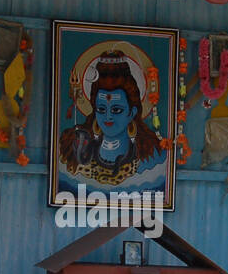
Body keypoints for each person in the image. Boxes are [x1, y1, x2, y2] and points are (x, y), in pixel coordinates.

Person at [59, 51, 166, 186]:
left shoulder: (151, 155)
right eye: (102, 109)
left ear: (132, 112)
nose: (108, 116)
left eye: (116, 110)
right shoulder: (76, 145)